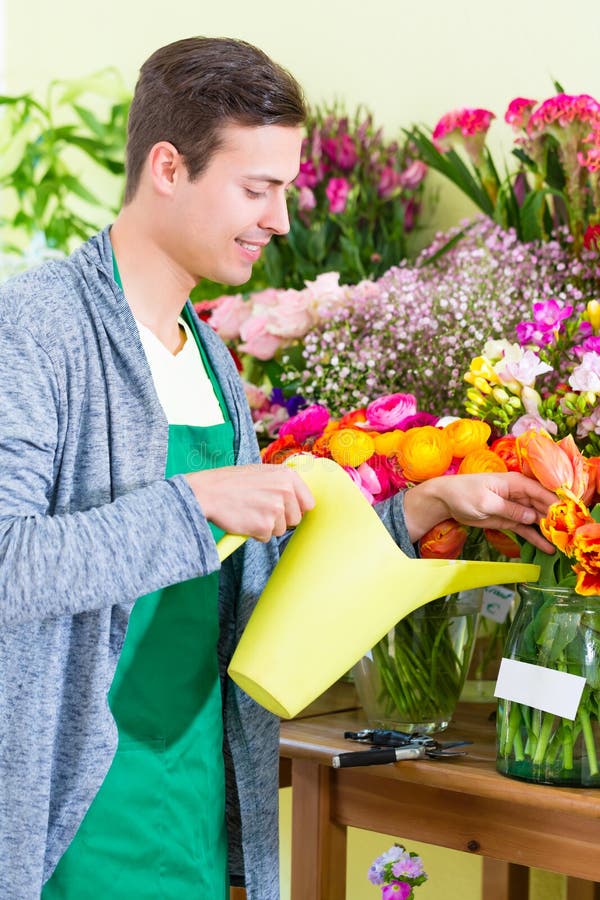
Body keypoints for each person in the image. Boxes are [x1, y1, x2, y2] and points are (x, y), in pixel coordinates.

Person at [0, 36, 555, 900]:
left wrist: (424, 506)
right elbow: (9, 565)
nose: (282, 221)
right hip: (67, 826)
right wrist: (193, 504)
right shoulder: (36, 331)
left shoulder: (212, 360)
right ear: (168, 168)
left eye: (287, 191)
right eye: (257, 189)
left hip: (190, 806)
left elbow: (256, 579)